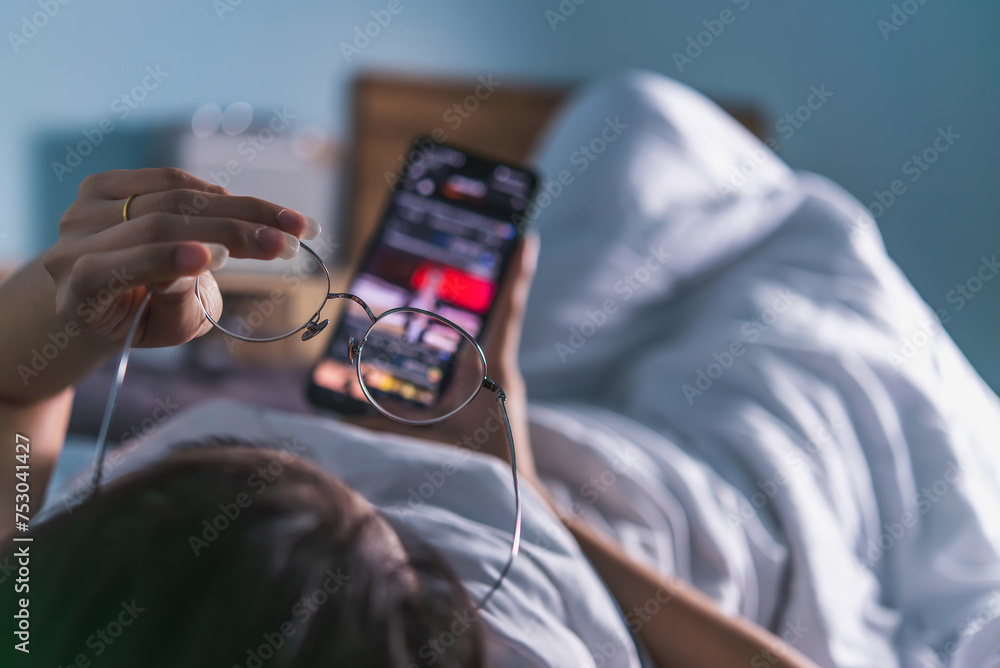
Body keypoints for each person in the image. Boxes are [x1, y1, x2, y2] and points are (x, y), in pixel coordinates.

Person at [4, 71, 999, 668]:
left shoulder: (31, 614)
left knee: (638, 132)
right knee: (692, 167)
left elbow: (14, 406)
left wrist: (62, 321)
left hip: (496, 418)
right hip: (662, 504)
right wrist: (503, 466)